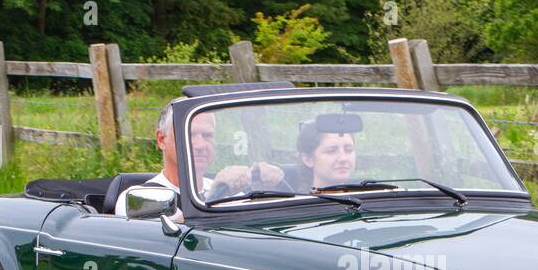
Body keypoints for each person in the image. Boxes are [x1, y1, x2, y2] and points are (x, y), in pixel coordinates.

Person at [113, 103, 285, 217]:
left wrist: (271, 188)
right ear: (162, 140)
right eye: (190, 134)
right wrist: (214, 197)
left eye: (207, 135)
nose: (201, 144)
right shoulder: (134, 197)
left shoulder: (228, 190)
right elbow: (170, 237)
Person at [297, 121, 357, 189]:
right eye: (331, 151)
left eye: (348, 150)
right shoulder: (299, 199)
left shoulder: (368, 193)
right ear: (308, 159)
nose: (343, 158)